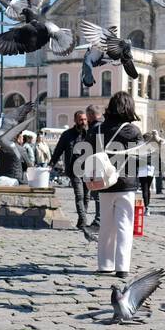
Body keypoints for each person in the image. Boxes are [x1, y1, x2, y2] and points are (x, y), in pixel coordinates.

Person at [89, 91, 143, 276]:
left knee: (106, 226)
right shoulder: (133, 130)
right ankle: (122, 267)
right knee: (124, 225)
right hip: (126, 183)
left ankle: (105, 265)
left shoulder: (97, 129)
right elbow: (141, 159)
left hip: (103, 183)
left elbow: (88, 153)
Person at [51, 111, 93, 227]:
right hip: (74, 169)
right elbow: (58, 150)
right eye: (81, 120)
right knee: (79, 195)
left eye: (85, 119)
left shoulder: (90, 134)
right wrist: (52, 163)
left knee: (87, 196)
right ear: (75, 120)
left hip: (88, 170)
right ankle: (84, 220)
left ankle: (81, 220)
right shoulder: (67, 135)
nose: (83, 122)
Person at [85, 105, 103, 226]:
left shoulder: (95, 129)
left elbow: (89, 149)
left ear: (91, 115)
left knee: (98, 194)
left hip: (96, 165)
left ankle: (99, 219)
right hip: (101, 164)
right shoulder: (103, 126)